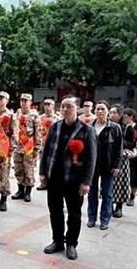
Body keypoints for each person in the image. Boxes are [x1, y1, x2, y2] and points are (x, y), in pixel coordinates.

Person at [39, 95, 97, 260]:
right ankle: (57, 241)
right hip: (54, 177)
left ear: (77, 109)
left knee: (74, 213)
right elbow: (46, 151)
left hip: (74, 180)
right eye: (63, 106)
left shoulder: (86, 130)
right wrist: (43, 172)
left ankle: (71, 243)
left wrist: (87, 181)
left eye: (69, 106)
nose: (65, 109)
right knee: (55, 211)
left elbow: (92, 158)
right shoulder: (55, 127)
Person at [87, 100, 122, 230]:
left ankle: (105, 220)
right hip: (92, 166)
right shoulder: (89, 127)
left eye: (103, 109)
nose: (100, 111)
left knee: (107, 194)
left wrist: (117, 166)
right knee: (92, 193)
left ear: (108, 112)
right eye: (98, 109)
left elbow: (119, 149)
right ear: (94, 111)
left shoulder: (114, 127)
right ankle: (91, 218)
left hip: (108, 165)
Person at [12, 93, 42, 202]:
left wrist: (36, 149)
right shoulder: (17, 113)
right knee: (18, 169)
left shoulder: (34, 115)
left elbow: (38, 133)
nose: (23, 103)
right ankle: (20, 190)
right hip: (17, 147)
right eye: (22, 100)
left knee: (28, 170)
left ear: (30, 102)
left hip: (29, 147)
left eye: (26, 101)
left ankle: (28, 192)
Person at [37, 99, 61, 191]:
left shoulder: (57, 118)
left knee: (53, 163)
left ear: (53, 106)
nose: (47, 106)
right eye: (45, 104)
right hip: (42, 144)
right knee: (43, 163)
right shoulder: (40, 117)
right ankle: (43, 182)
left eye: (49, 104)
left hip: (53, 144)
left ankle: (52, 181)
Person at [123, 108, 137, 207]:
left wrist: (134, 151)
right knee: (125, 176)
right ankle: (124, 195)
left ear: (131, 116)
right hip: (124, 155)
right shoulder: (123, 126)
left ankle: (132, 196)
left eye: (126, 116)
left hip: (135, 154)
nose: (124, 118)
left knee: (135, 176)